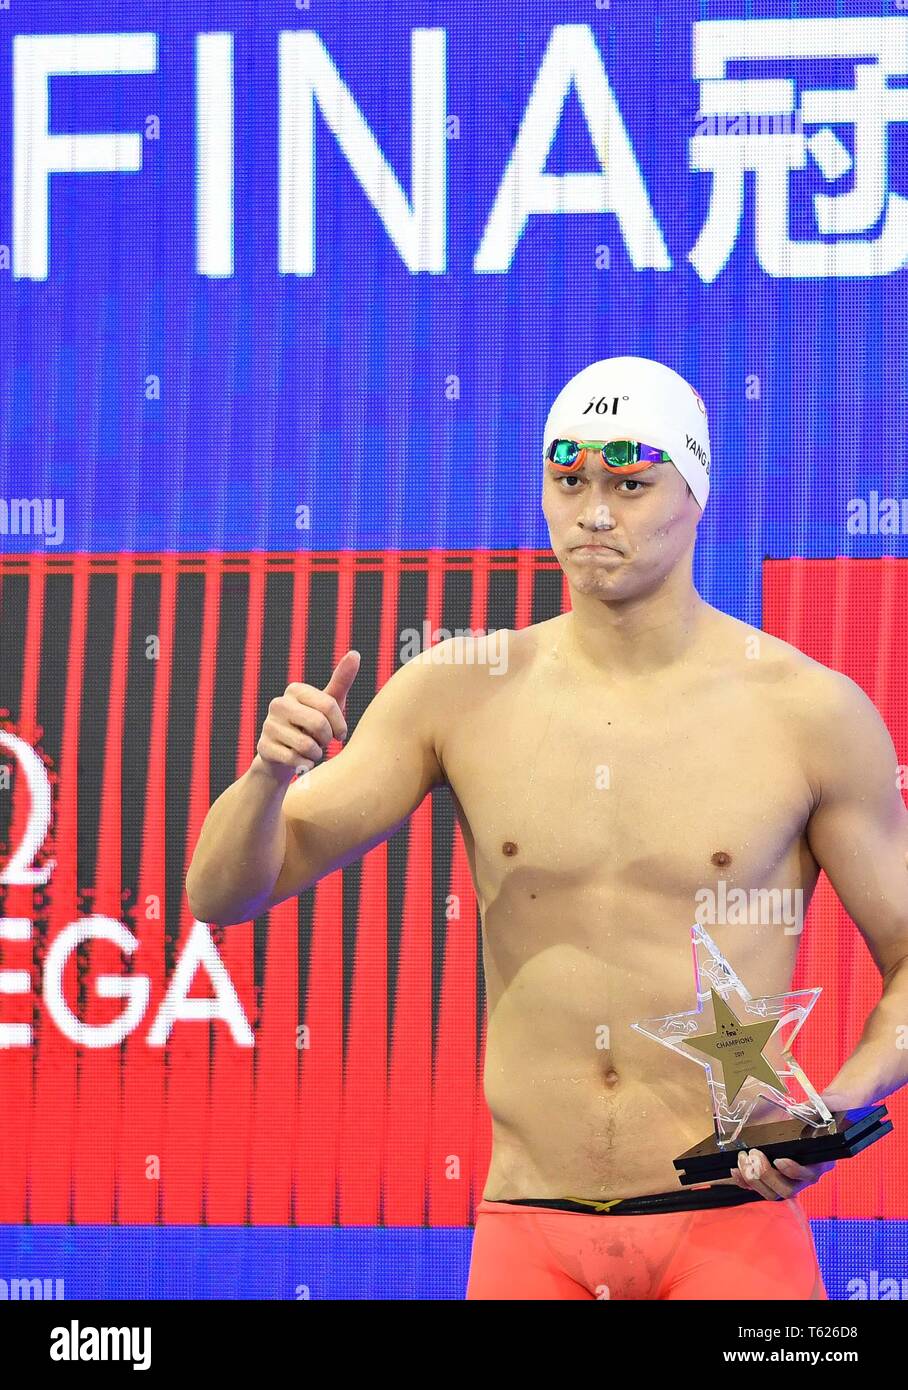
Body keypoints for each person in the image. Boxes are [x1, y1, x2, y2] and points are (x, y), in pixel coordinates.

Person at [186, 356, 908, 1300]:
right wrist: (267, 779)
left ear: (695, 493)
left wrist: (833, 1107)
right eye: (569, 481)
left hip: (734, 1233)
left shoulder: (810, 713)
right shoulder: (459, 691)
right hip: (532, 1231)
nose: (595, 513)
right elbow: (220, 894)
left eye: (629, 484)